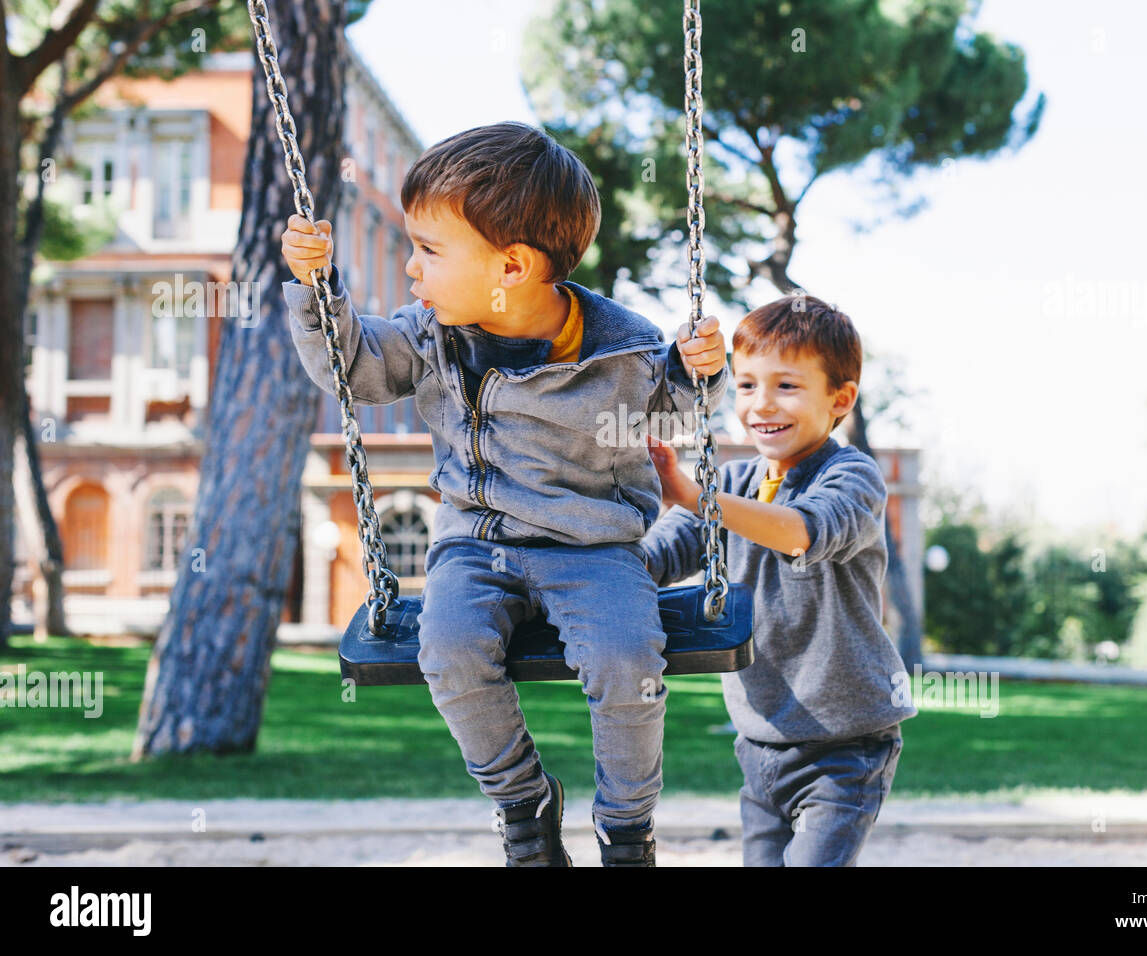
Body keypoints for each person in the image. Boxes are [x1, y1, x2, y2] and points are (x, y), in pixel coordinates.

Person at [280, 121, 728, 867]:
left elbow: (678, 417)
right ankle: (524, 803)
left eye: (428, 250)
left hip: (593, 549)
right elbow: (352, 365)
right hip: (475, 544)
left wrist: (696, 373)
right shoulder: (431, 336)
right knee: (448, 650)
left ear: (511, 267)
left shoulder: (622, 348)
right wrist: (316, 286)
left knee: (628, 659)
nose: (411, 270)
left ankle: (625, 825)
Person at [640, 294, 917, 866]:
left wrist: (696, 496)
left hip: (846, 747)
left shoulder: (852, 476)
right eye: (745, 386)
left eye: (786, 386)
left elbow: (801, 533)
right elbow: (657, 559)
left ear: (840, 398)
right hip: (759, 743)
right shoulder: (734, 482)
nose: (761, 404)